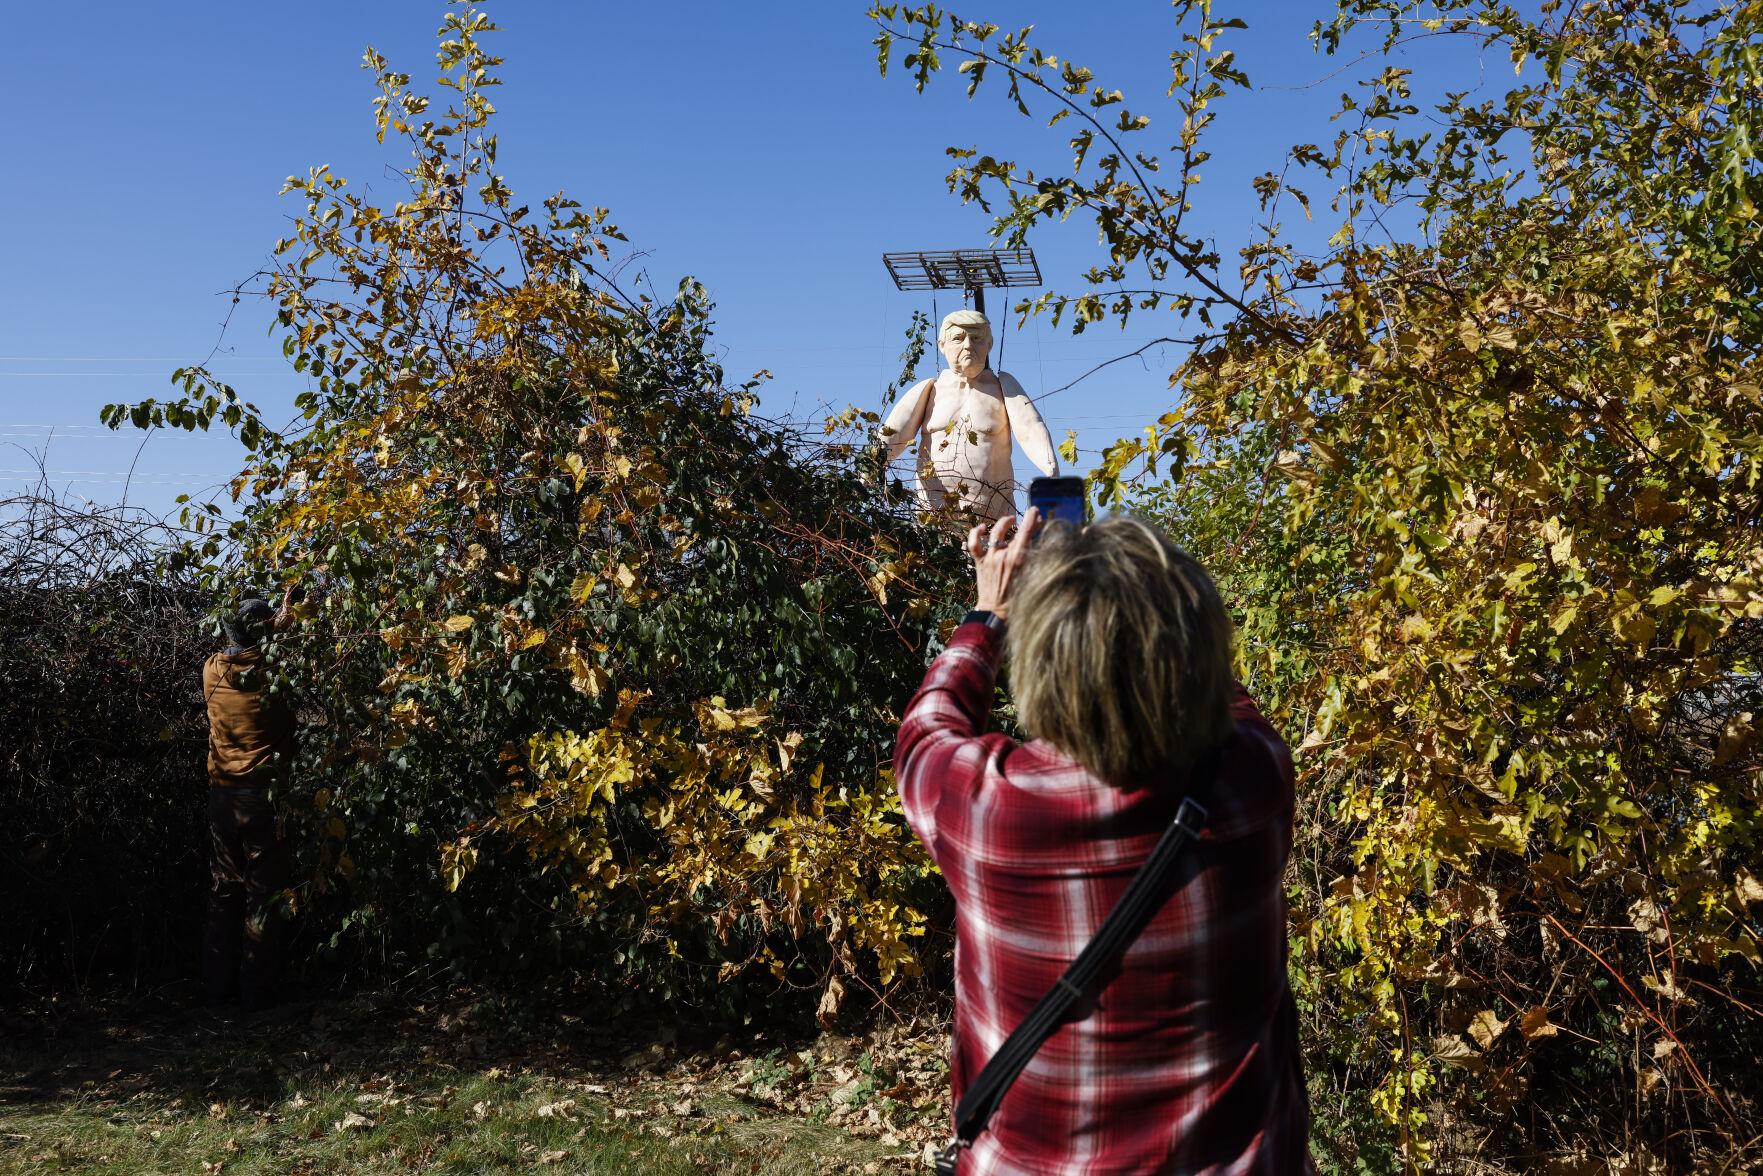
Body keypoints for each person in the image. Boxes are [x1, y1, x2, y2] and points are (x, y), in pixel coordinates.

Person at [895, 510, 1310, 1174]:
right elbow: (1229, 704)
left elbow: (924, 731)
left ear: (1038, 661)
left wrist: (988, 614)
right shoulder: (1253, 780)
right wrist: (1160, 621)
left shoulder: (983, 807)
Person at [201, 593, 296, 1010]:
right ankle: (256, 992)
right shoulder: (270, 677)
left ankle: (216, 988)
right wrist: (282, 623)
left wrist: (265, 625)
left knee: (224, 891)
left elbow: (235, 644)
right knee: (262, 894)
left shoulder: (212, 673)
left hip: (221, 797)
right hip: (261, 798)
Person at [879, 309, 1059, 521]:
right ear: (942, 345)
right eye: (958, 338)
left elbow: (1030, 428)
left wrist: (1051, 469)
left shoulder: (1003, 386)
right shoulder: (930, 390)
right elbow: (895, 433)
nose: (968, 345)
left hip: (994, 514)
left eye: (976, 339)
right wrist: (872, 467)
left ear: (989, 345)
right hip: (936, 518)